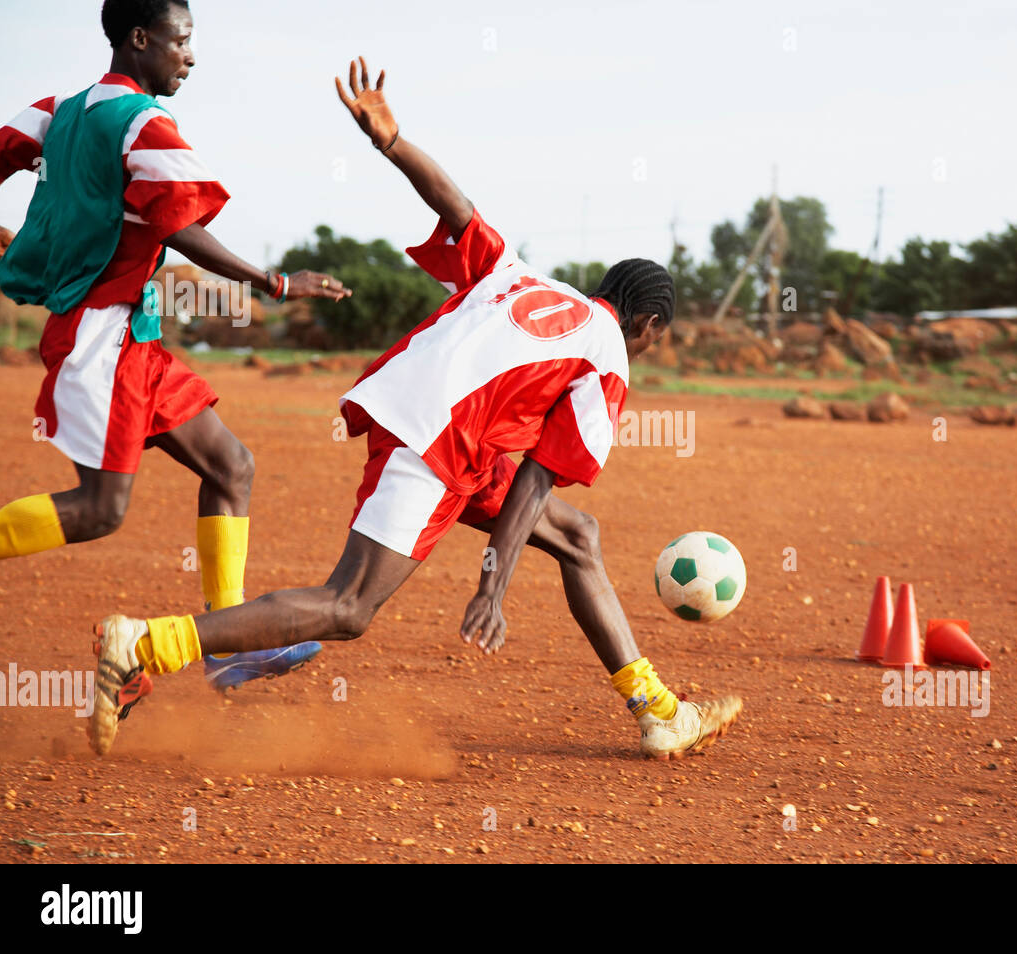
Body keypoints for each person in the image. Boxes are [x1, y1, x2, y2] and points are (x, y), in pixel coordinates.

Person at [87, 57, 743, 760]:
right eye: (655, 338)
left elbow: (455, 206)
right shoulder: (608, 351)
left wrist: (393, 143)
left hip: (433, 425)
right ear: (648, 325)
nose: (647, 347)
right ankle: (146, 645)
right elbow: (538, 478)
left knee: (578, 538)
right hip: (438, 445)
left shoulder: (522, 275)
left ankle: (657, 711)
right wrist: (494, 583)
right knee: (348, 607)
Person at [0, 0, 351, 690]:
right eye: (181, 41)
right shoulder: (141, 121)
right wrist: (275, 281)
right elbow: (181, 225)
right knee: (100, 510)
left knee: (231, 467)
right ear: (139, 38)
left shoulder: (56, 110)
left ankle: (227, 642)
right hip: (102, 338)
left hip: (136, 338)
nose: (190, 55)